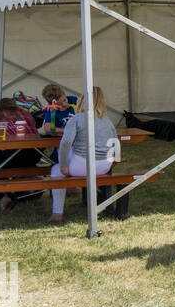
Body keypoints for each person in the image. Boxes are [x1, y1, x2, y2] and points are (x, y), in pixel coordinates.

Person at [46, 87, 120, 221]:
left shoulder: (77, 118)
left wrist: (63, 166)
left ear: (82, 100)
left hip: (81, 166)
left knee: (56, 170)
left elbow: (65, 143)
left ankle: (57, 213)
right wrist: (113, 163)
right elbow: (116, 144)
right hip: (104, 167)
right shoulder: (108, 121)